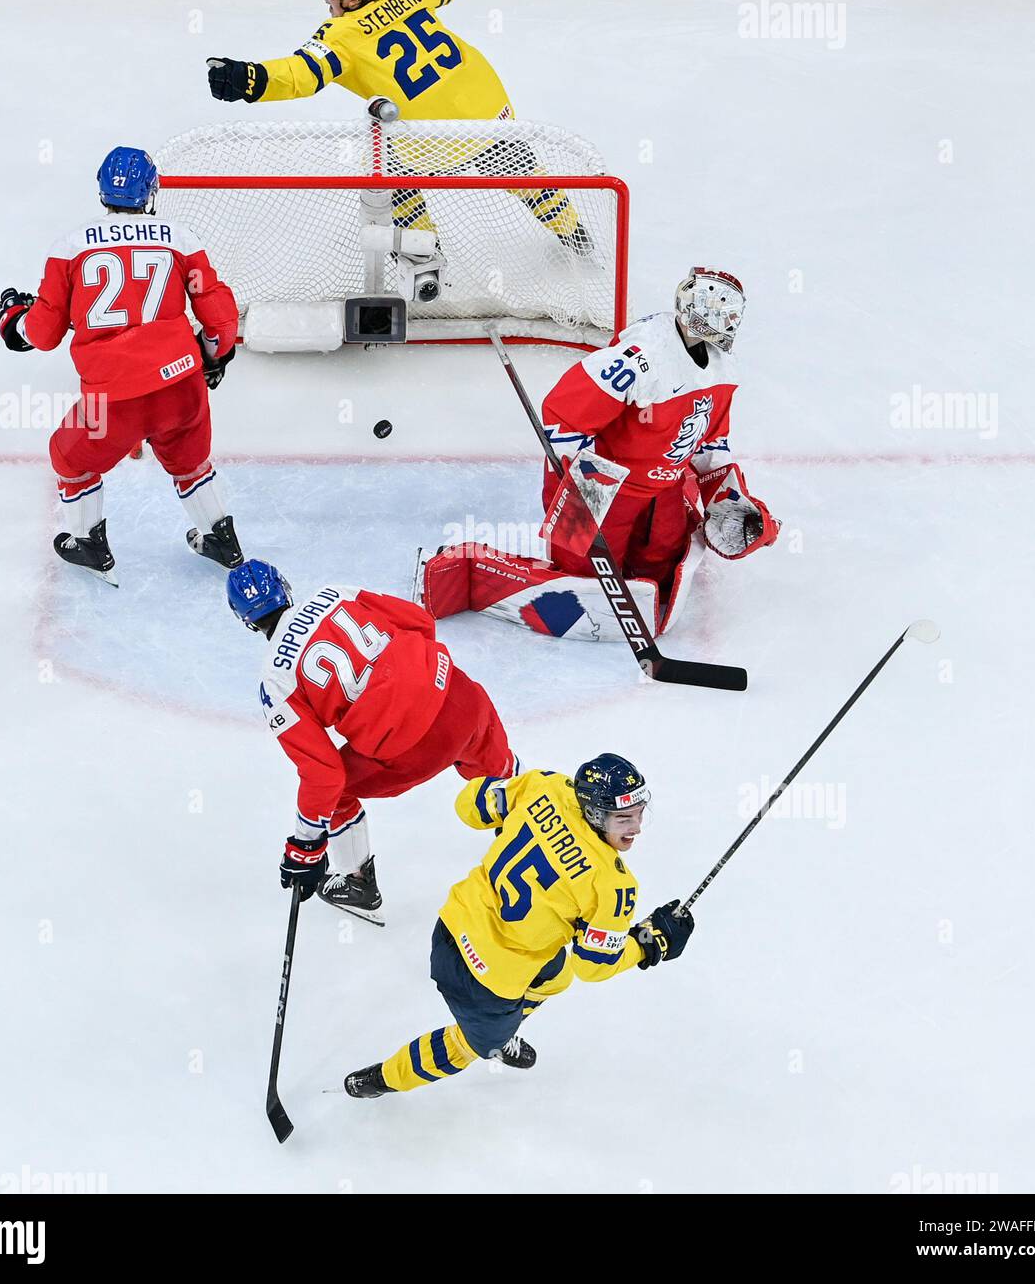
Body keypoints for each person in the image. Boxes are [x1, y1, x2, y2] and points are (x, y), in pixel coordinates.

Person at [419, 268, 780, 641]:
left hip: (664, 488)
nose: (729, 323)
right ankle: (493, 571)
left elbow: (709, 443)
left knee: (660, 572)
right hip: (604, 484)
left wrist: (729, 497)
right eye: (722, 312)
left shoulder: (722, 370)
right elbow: (564, 417)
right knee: (583, 577)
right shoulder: (643, 357)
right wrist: (582, 490)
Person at [205, 0, 590, 253]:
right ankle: (574, 234)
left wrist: (249, 79)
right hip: (488, 105)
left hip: (434, 137)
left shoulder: (342, 36)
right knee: (521, 171)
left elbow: (301, 74)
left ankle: (422, 257)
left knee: (387, 179)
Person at [343, 754, 695, 1097]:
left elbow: (469, 807)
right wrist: (652, 942)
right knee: (464, 1046)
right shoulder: (613, 886)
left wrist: (511, 809)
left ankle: (503, 1026)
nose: (636, 828)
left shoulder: (547, 785)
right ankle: (384, 1079)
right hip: (486, 983)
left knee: (556, 974)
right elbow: (593, 966)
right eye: (624, 819)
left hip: (451, 929)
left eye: (639, 814)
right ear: (594, 812)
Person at [0, 146, 243, 585]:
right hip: (182, 384)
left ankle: (89, 543)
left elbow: (45, 331)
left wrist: (14, 320)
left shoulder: (70, 246)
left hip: (113, 397)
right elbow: (219, 317)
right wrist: (212, 354)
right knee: (189, 461)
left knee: (70, 459)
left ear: (101, 191)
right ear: (150, 190)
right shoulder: (180, 237)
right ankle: (221, 538)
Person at [226, 559, 517, 926]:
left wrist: (306, 848)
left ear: (246, 620)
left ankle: (358, 883)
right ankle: (524, 808)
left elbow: (323, 775)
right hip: (462, 700)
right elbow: (421, 622)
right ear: (284, 586)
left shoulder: (274, 681)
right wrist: (414, 681)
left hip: (411, 750)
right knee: (506, 778)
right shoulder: (333, 595)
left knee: (338, 793)